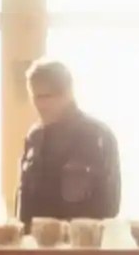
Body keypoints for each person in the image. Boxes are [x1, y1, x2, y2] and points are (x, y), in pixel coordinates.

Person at [16, 59, 121, 227]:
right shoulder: (34, 137)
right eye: (35, 97)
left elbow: (110, 204)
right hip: (36, 246)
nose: (40, 105)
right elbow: (23, 203)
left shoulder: (97, 136)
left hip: (81, 245)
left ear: (67, 94)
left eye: (46, 97)